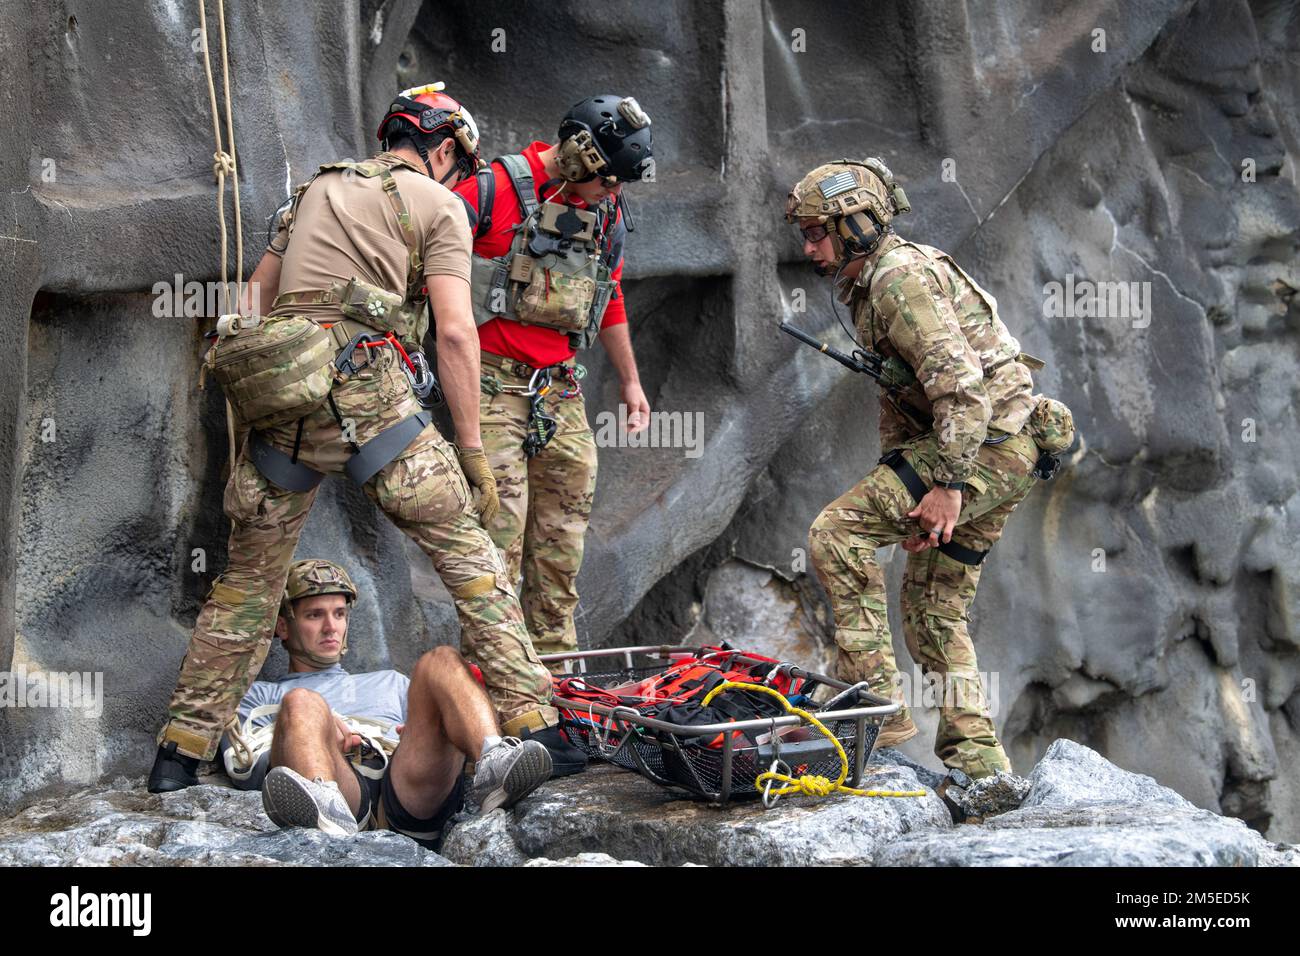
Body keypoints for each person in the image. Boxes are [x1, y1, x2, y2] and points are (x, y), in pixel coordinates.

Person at [149, 82, 582, 794]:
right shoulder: (440, 206)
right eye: (460, 166)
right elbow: (453, 332)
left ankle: (176, 756)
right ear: (445, 151)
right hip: (369, 396)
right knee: (471, 559)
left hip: (283, 404)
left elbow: (251, 304)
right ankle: (540, 730)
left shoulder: (312, 194)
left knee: (246, 590)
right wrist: (471, 450)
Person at [786, 157, 1074, 779]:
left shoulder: (896, 281)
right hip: (1003, 448)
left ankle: (872, 707)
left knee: (837, 535)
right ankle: (980, 769)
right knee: (934, 609)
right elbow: (908, 406)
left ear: (859, 224)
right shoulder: (878, 282)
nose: (808, 247)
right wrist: (911, 487)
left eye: (818, 232)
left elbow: (963, 388)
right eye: (805, 233)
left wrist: (946, 487)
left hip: (984, 448)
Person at [450, 95, 653, 678]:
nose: (614, 195)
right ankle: (494, 694)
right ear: (578, 156)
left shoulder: (606, 212)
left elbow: (607, 294)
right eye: (609, 181)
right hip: (491, 388)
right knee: (498, 544)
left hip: (560, 390)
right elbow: (420, 264)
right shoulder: (491, 191)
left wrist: (631, 383)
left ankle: (558, 685)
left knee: (561, 547)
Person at [219, 560, 551, 847]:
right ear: (283, 627)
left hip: (406, 787)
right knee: (302, 701)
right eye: (315, 615)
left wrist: (427, 733)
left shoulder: (391, 682)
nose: (331, 627)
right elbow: (249, 772)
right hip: (340, 793)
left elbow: (432, 747)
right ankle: (325, 814)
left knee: (442, 660)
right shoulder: (259, 696)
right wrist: (317, 737)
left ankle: (493, 762)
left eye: (338, 614)